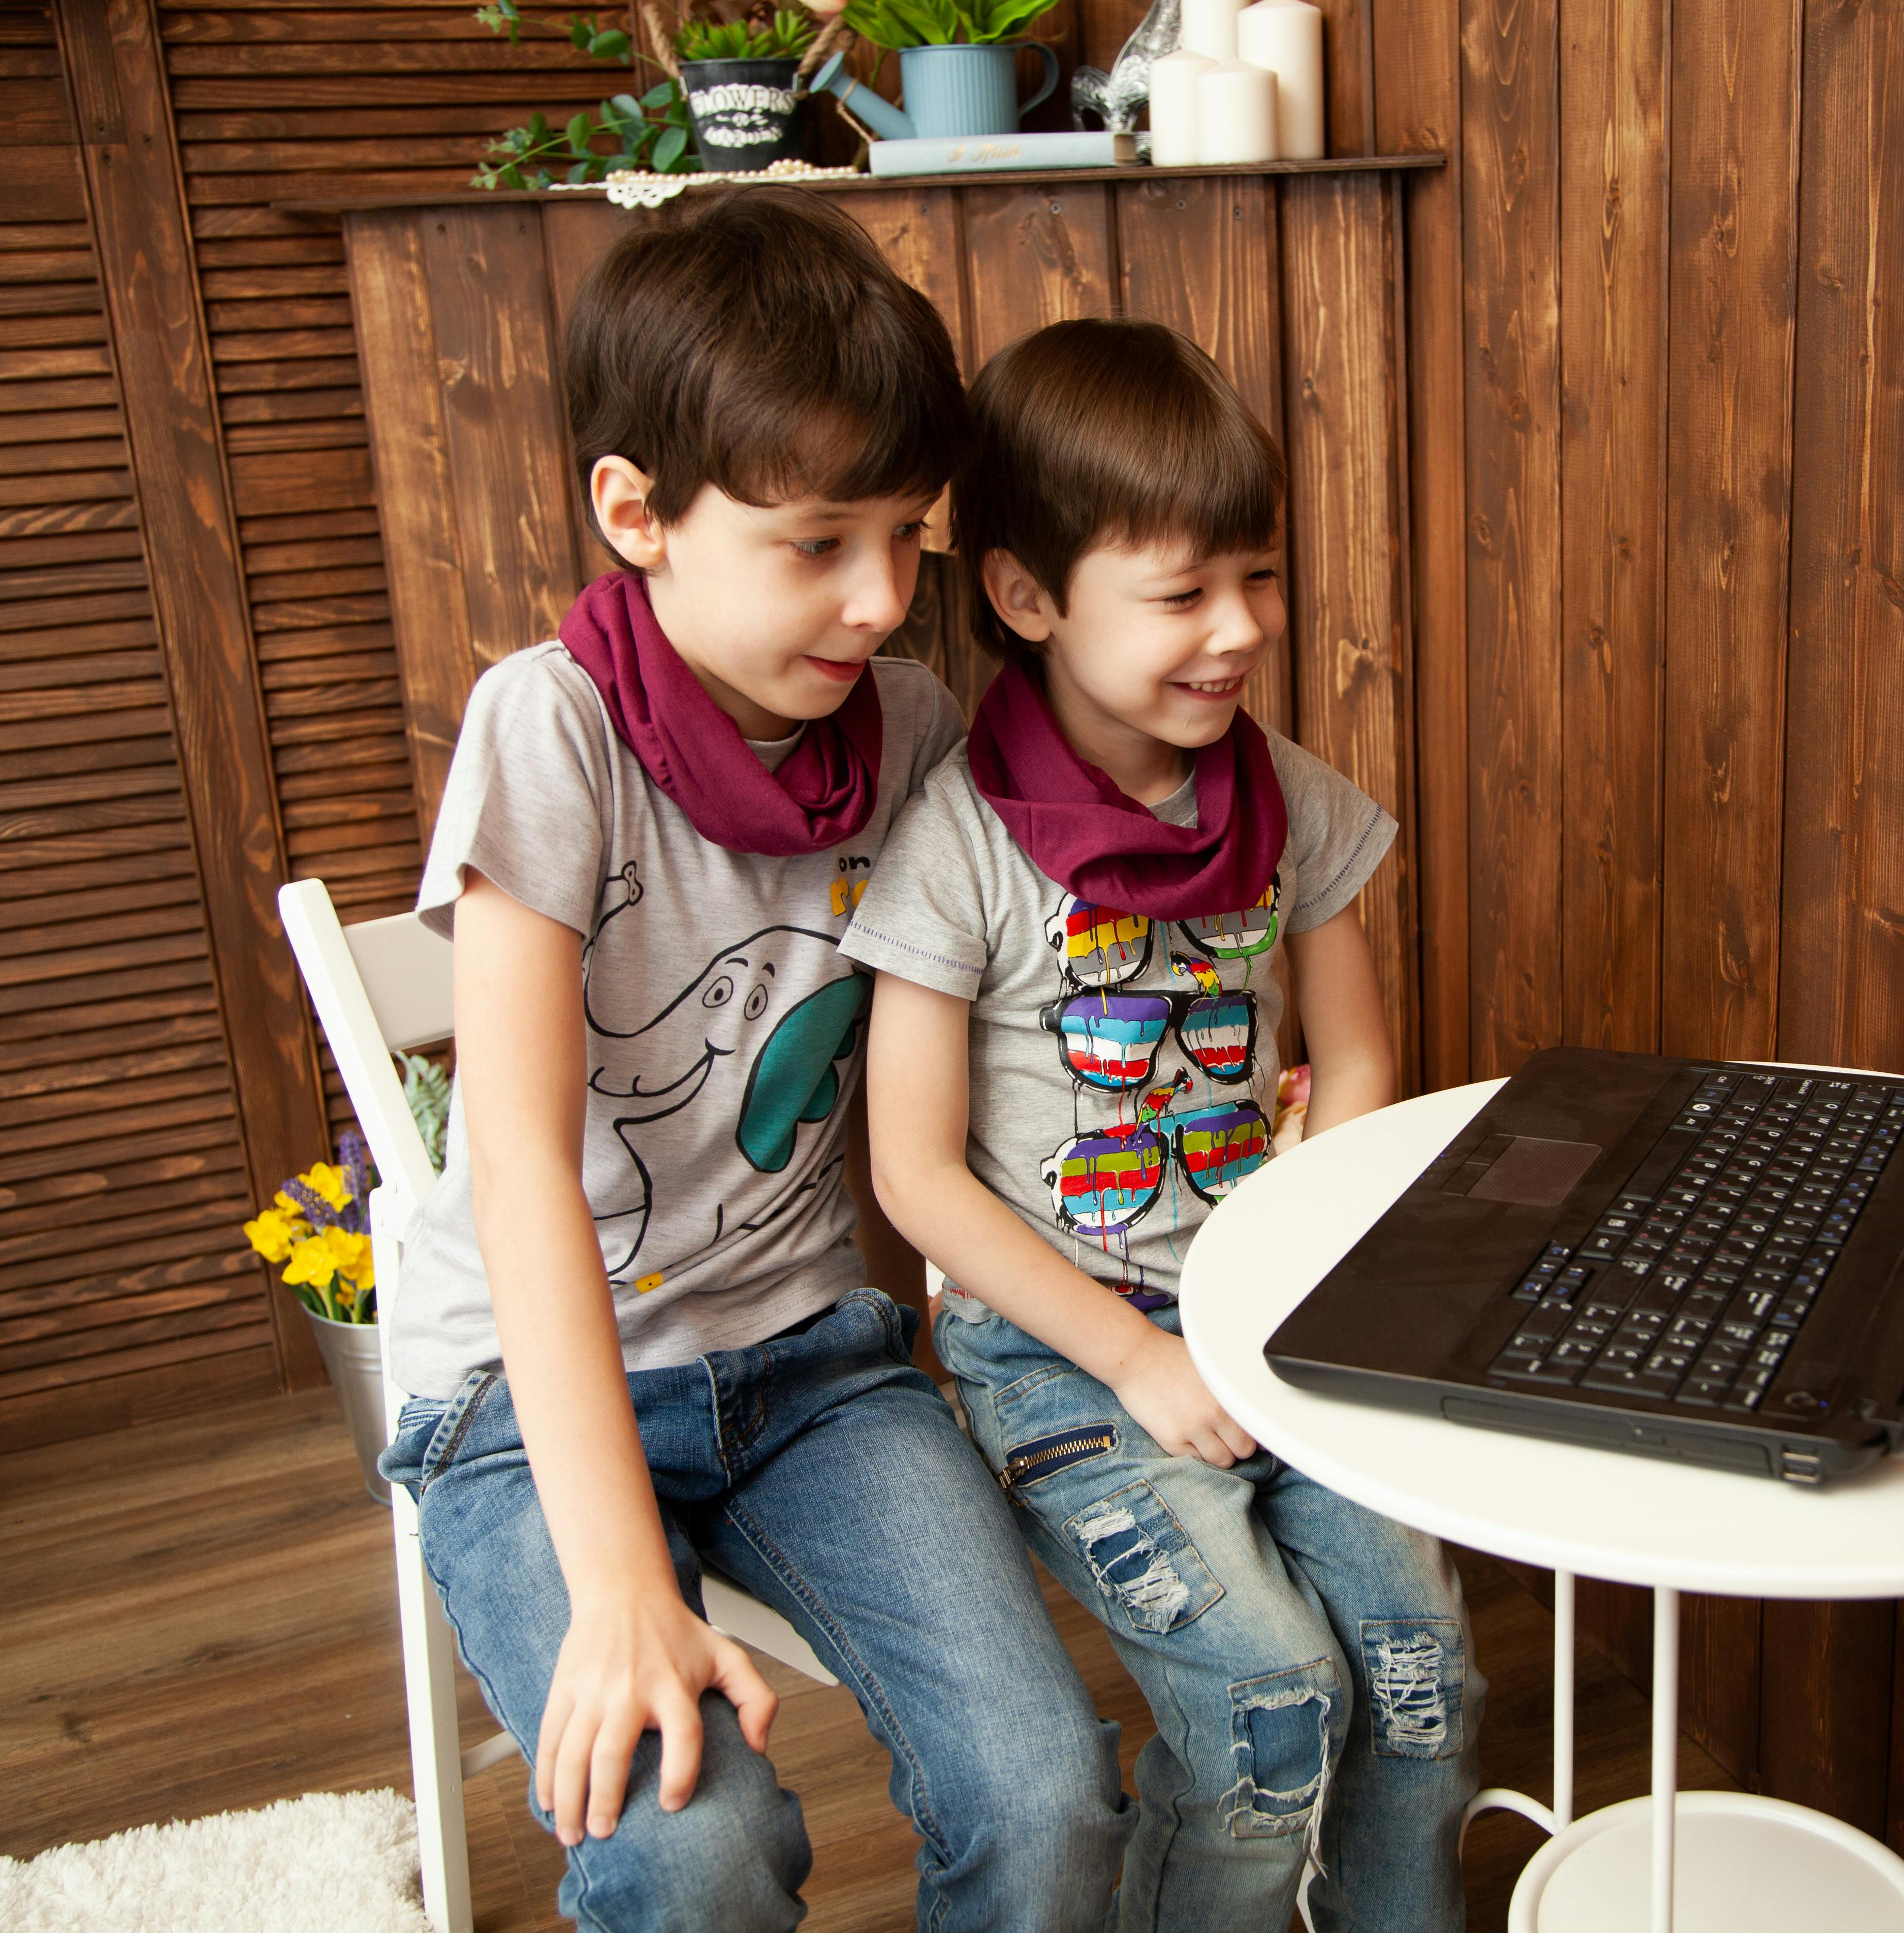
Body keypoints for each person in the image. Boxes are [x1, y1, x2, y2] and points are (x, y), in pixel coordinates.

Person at [376, 190, 1130, 1933]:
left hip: (808, 1361)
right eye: (814, 544)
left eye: (907, 537)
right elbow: (517, 1183)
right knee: (687, 1855)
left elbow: (1012, 1021)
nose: (880, 600)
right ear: (636, 513)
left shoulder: (917, 731)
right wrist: (627, 1585)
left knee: (1053, 1803)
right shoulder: (546, 730)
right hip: (524, 1398)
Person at [845, 318, 1482, 1933]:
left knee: (1421, 1674)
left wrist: (1293, 1284)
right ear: (1026, 596)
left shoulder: (1295, 804)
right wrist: (1136, 1358)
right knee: (1273, 1706)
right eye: (1183, 594)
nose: (1241, 630)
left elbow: (1355, 1064)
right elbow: (914, 1174)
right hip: (1067, 1355)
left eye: (1258, 578)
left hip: (1270, 1312)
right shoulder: (957, 852)